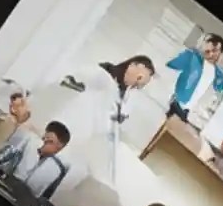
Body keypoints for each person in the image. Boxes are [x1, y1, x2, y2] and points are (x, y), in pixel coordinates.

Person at [54, 56, 155, 187]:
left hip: (85, 141)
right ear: (133, 65)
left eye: (140, 85)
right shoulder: (102, 74)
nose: (136, 85)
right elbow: (70, 85)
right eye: (139, 79)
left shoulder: (121, 94)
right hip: (67, 128)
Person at [0, 121, 72, 200]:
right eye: (46, 139)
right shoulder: (28, 141)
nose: (46, 142)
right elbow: (0, 161)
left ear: (61, 147)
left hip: (24, 201)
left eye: (51, 142)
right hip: (3, 184)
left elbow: (46, 196)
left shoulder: (58, 169)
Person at [166, 34, 223, 120]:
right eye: (209, 50)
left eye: (215, 50)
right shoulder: (194, 57)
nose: (211, 53)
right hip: (176, 102)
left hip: (187, 109)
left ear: (221, 53)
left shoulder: (217, 73)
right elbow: (172, 66)